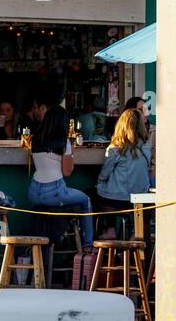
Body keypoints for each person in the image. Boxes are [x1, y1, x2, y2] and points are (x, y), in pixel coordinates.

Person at [25, 92, 92, 246]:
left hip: (34, 192)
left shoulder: (35, 140)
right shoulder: (64, 143)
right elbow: (67, 172)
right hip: (54, 193)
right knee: (86, 200)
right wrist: (71, 154)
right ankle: (88, 244)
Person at [95, 108, 152, 239]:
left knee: (95, 194)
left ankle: (110, 229)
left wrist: (99, 182)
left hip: (118, 199)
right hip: (139, 199)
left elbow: (104, 174)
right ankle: (134, 233)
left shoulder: (116, 148)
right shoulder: (146, 147)